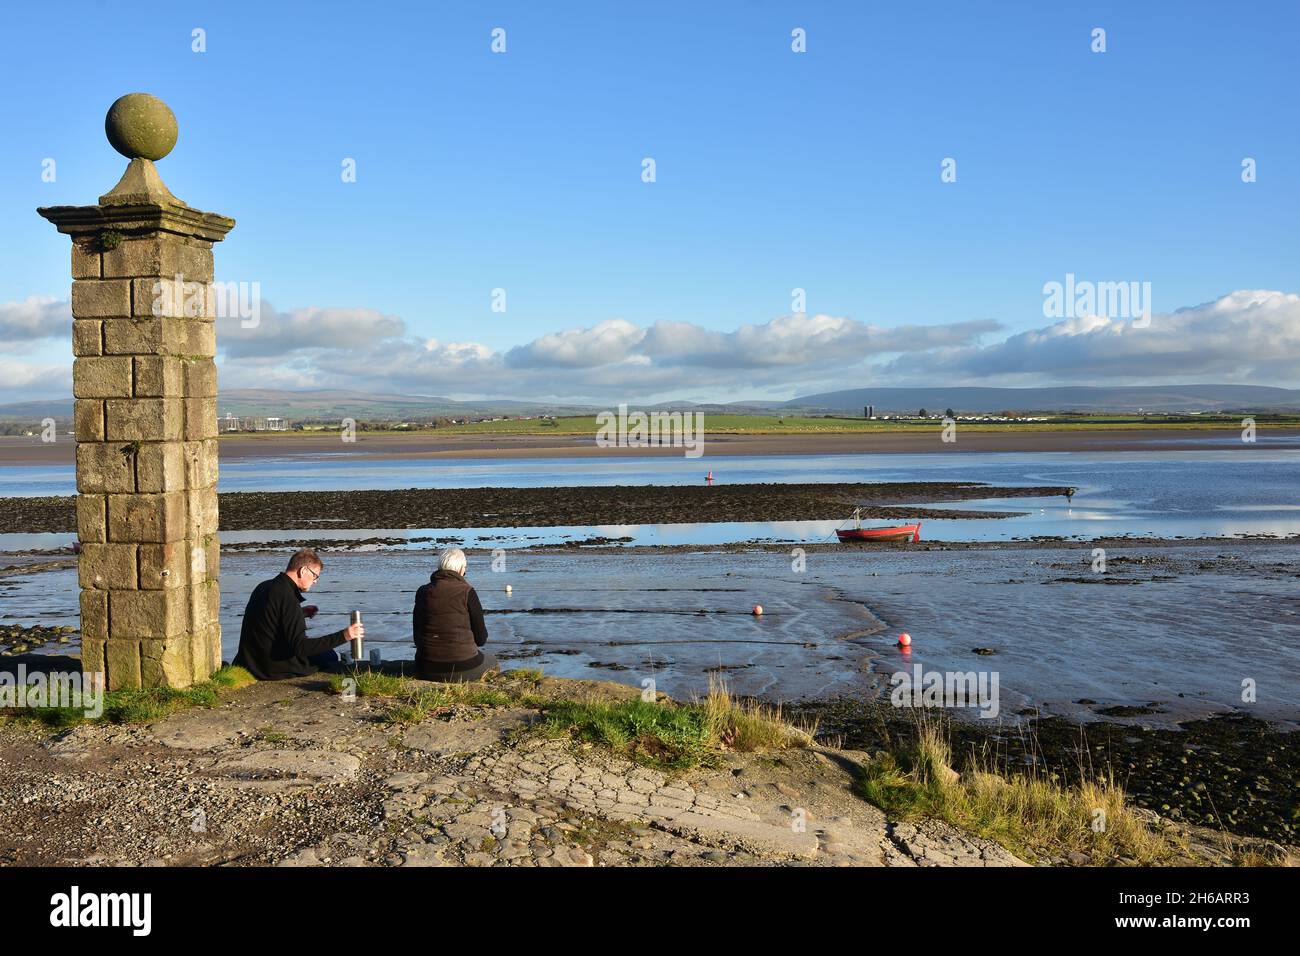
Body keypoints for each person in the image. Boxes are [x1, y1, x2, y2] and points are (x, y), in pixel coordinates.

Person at [233, 548, 362, 680]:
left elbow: (269, 617)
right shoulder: (288, 597)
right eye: (315, 576)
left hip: (249, 662)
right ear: (303, 570)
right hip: (271, 668)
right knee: (330, 655)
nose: (315, 581)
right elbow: (301, 647)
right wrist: (345, 635)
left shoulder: (264, 586)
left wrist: (300, 613)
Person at [412, 548, 498, 682]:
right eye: (465, 568)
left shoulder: (422, 591)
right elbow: (481, 639)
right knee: (492, 661)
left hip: (426, 668)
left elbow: (417, 637)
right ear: (460, 569)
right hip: (463, 668)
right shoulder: (467, 592)